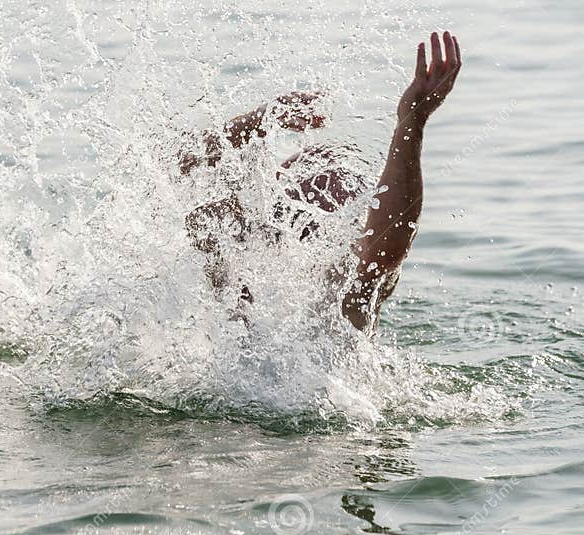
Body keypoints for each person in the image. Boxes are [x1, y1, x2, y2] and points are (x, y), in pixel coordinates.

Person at [179, 32, 462, 334]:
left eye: (336, 188)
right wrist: (257, 121)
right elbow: (173, 175)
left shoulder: (344, 284)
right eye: (306, 184)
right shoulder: (237, 247)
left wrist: (411, 122)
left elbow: (386, 246)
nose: (319, 193)